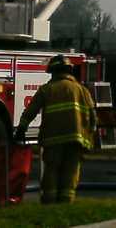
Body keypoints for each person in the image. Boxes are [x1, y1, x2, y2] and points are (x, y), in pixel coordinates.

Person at [14, 55, 98, 203]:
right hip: (76, 140)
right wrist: (90, 137)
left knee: (51, 170)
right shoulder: (82, 90)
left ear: (54, 72)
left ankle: (49, 201)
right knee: (71, 171)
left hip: (52, 140)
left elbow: (30, 111)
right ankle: (66, 201)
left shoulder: (47, 89)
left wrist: (21, 129)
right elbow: (93, 117)